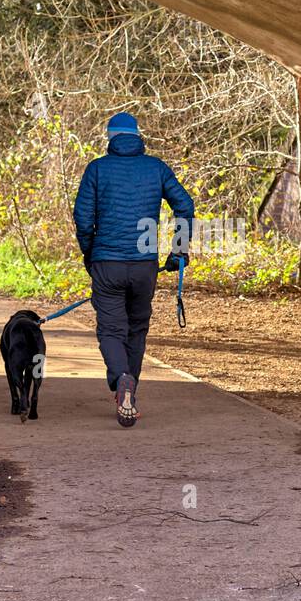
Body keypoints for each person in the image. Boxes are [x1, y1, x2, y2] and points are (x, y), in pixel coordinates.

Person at [73, 112, 194, 427]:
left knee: (112, 330)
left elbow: (83, 218)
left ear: (110, 138)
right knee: (137, 329)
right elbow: (185, 205)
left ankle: (122, 379)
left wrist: (91, 253)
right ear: (137, 137)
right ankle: (130, 388)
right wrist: (178, 249)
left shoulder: (97, 169)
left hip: (107, 264)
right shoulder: (156, 168)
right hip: (144, 265)